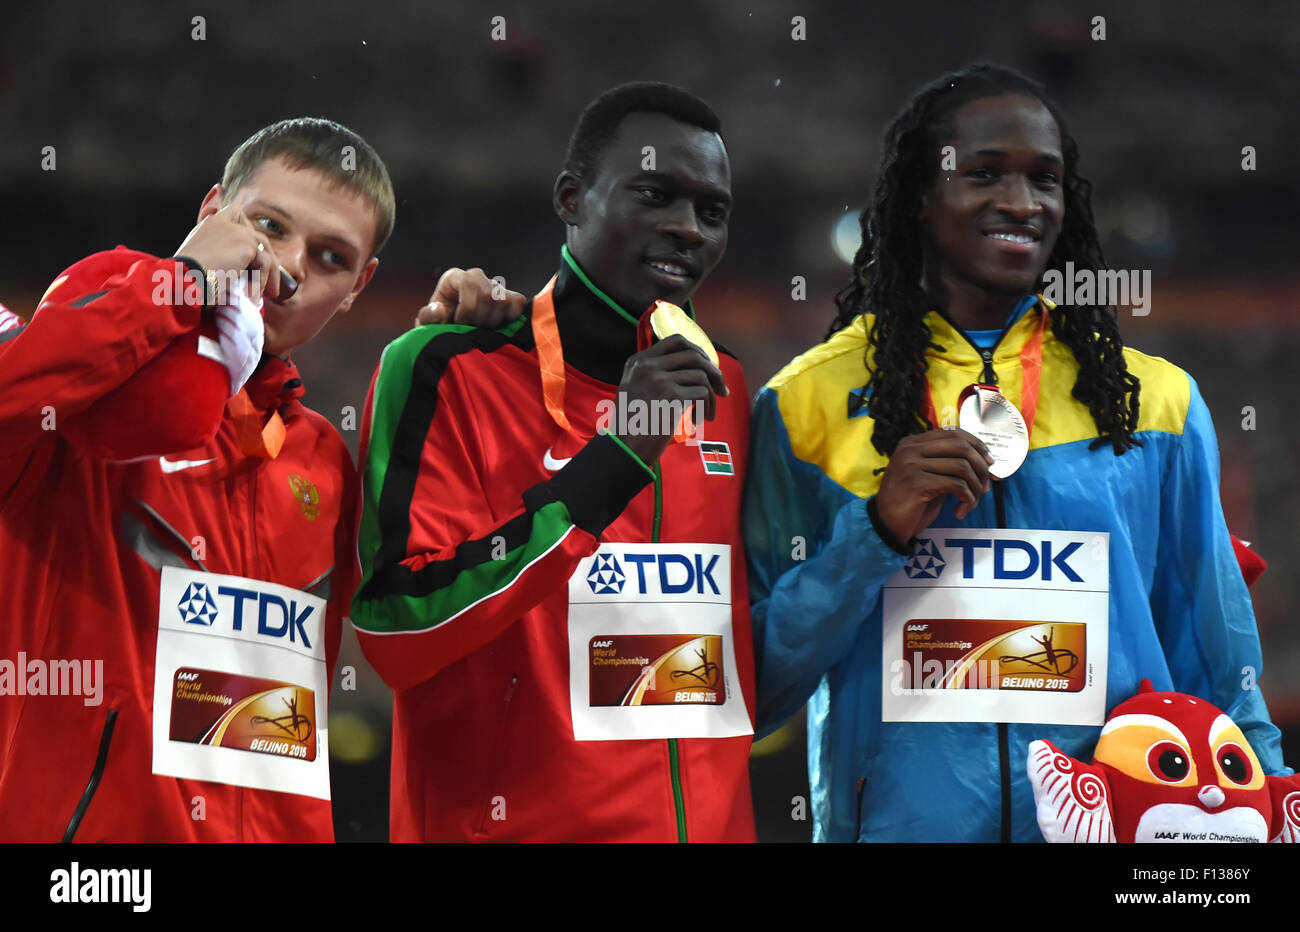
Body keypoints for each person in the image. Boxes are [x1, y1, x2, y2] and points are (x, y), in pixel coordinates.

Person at [744, 63, 1290, 842]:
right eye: (986, 174)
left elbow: (1218, 662)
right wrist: (876, 534)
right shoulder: (805, 405)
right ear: (918, 198)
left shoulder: (1155, 402)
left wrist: (1266, 798)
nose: (1021, 203)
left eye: (1046, 180)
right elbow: (755, 685)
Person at [351, 82, 757, 842]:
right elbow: (396, 628)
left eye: (713, 211)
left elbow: (753, 640)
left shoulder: (727, 388)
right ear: (572, 197)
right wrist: (615, 459)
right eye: (656, 194)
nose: (689, 229)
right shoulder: (446, 367)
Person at [0, 117, 393, 841]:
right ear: (213, 212)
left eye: (331, 258)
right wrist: (179, 279)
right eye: (270, 226)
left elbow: (283, 724)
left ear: (356, 288)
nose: (290, 268)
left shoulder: (322, 462)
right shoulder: (91, 393)